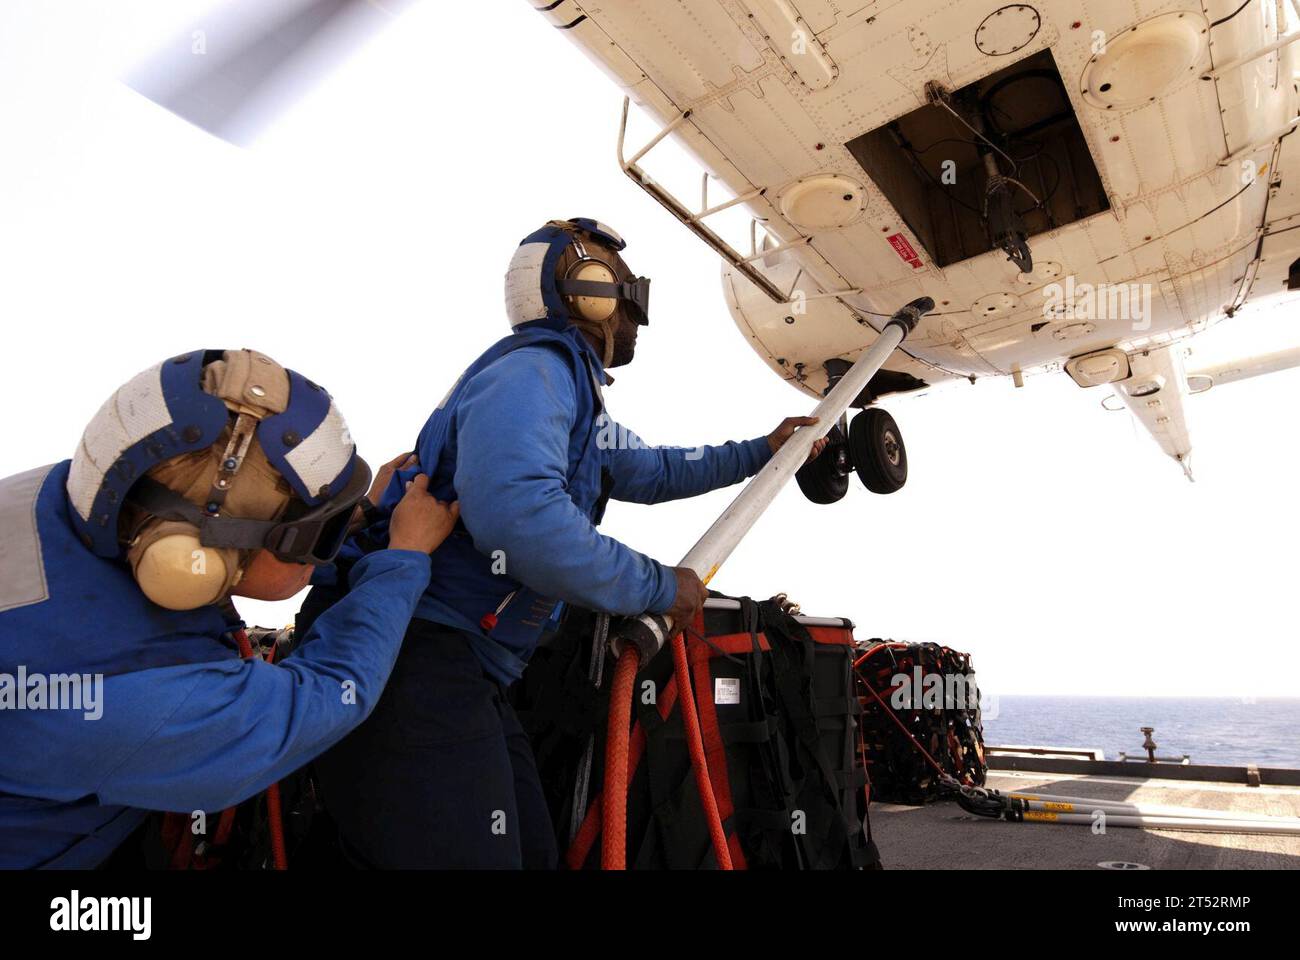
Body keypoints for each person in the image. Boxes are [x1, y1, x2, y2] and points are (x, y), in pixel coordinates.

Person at [302, 218, 827, 869]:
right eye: (627, 289)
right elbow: (524, 523)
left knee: (532, 853)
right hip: (418, 661)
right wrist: (662, 586)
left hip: (467, 669)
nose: (637, 309)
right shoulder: (534, 375)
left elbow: (656, 470)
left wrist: (766, 450)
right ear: (589, 292)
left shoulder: (564, 391)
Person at [0, 349, 458, 869]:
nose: (321, 551)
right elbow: (330, 695)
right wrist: (403, 559)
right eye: (315, 535)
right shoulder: (132, 703)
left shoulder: (58, 494)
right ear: (198, 559)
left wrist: (359, 516)